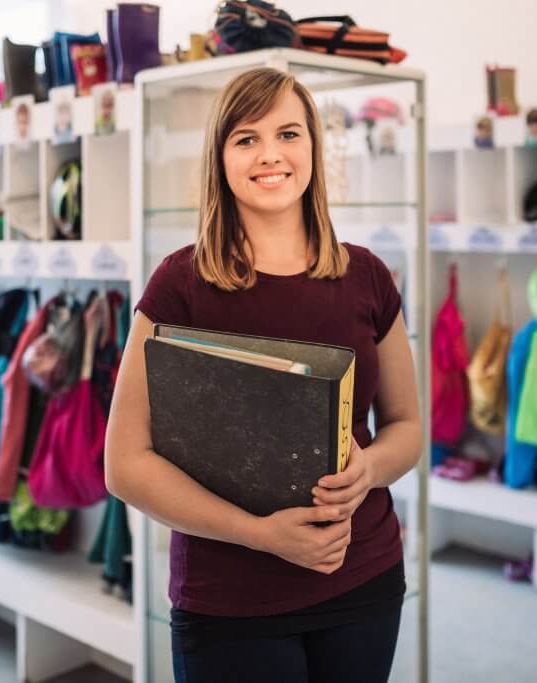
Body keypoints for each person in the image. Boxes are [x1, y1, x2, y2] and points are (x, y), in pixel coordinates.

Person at [105, 68, 422, 682]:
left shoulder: (368, 277)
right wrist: (260, 534)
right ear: (220, 158)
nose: (270, 154)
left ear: (313, 148)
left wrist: (369, 470)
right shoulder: (179, 286)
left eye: (288, 134)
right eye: (246, 138)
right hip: (229, 604)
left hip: (362, 580)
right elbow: (125, 465)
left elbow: (407, 426)